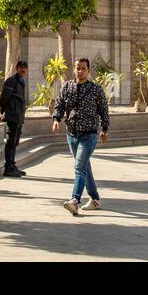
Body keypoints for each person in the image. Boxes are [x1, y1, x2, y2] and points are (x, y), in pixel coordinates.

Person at [52, 57, 110, 216]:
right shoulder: (67, 87)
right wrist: (56, 119)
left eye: (83, 68)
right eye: (78, 68)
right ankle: (95, 199)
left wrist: (104, 129)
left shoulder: (95, 89)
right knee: (84, 166)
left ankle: (75, 200)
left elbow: (103, 110)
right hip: (71, 134)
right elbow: (59, 104)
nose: (80, 71)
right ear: (74, 69)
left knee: (79, 166)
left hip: (89, 134)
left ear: (88, 70)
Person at [0, 60, 29, 178]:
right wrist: (3, 111)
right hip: (12, 116)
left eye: (25, 68)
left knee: (15, 142)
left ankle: (12, 165)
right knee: (11, 141)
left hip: (19, 116)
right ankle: (8, 167)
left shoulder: (21, 82)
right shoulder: (11, 81)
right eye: (21, 67)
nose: (23, 70)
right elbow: (3, 98)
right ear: (16, 68)